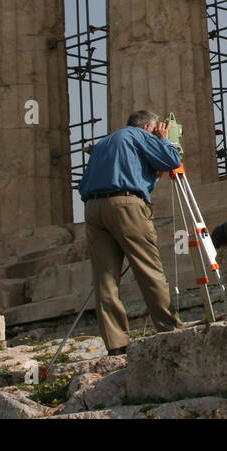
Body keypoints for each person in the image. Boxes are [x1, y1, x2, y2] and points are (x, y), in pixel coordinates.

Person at [76, 109, 186, 356]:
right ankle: (170, 330)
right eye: (157, 128)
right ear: (148, 127)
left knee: (105, 280)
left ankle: (116, 345)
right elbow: (171, 160)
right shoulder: (139, 135)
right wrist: (165, 140)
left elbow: (82, 184)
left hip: (93, 209)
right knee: (148, 269)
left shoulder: (104, 144)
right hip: (125, 204)